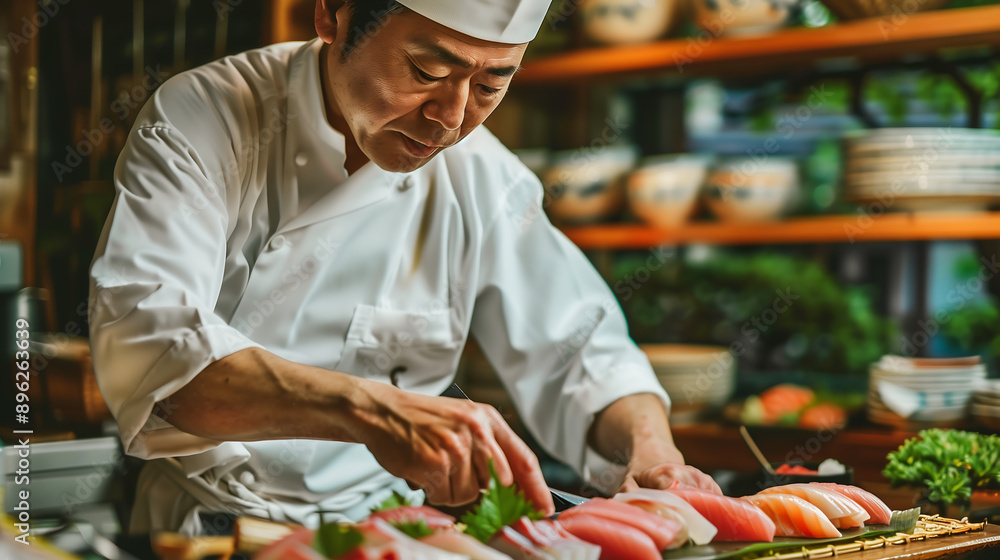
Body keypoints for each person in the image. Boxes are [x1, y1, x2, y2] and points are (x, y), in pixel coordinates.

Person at [89, 0, 720, 536]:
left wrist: (652, 450)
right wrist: (377, 411)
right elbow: (155, 346)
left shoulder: (481, 174)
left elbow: (582, 352)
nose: (451, 119)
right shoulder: (207, 117)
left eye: (491, 86)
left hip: (393, 532)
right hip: (212, 529)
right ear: (334, 14)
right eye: (427, 70)